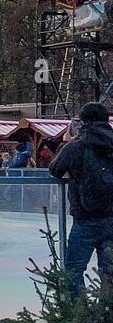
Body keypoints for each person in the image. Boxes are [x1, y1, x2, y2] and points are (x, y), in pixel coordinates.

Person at [49, 102, 113, 296]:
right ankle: (107, 317)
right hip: (112, 217)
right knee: (109, 271)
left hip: (85, 218)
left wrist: (69, 140)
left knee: (73, 270)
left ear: (82, 121)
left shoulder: (76, 146)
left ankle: (80, 315)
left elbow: (55, 170)